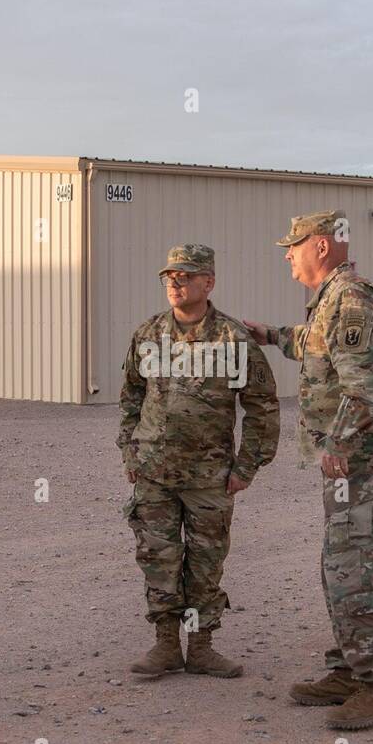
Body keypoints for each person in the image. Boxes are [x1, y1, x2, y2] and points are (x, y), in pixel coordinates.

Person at [244, 211, 373, 730]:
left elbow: (364, 383)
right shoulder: (331, 302)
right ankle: (349, 668)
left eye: (292, 247)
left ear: (319, 246)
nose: (287, 256)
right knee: (338, 567)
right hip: (350, 460)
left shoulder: (352, 298)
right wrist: (271, 334)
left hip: (365, 458)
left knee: (352, 571)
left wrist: (339, 440)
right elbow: (313, 346)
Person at [119, 243, 279, 678]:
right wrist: (128, 450)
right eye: (170, 277)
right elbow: (131, 396)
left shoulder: (232, 339)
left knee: (206, 561)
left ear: (208, 282)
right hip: (153, 472)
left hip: (210, 476)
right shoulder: (148, 334)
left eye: (185, 276)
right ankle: (166, 645)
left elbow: (262, 405)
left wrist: (247, 466)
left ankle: (202, 646)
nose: (175, 283)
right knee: (159, 558)